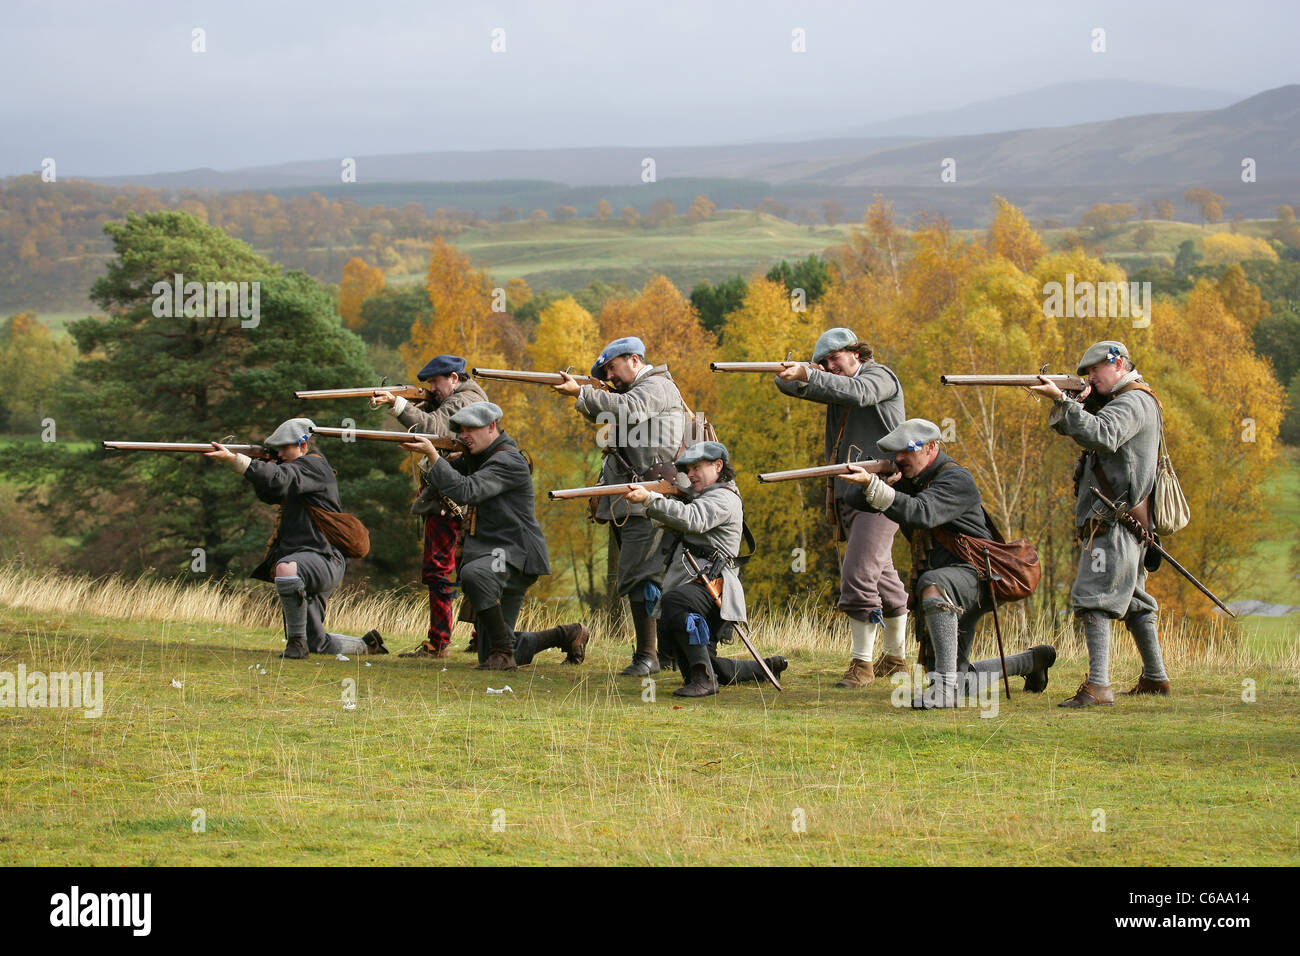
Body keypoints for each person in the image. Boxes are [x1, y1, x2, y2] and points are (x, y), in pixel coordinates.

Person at [839, 419, 1056, 708]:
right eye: (896, 453)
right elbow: (855, 499)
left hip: (975, 577)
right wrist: (874, 478)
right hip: (949, 588)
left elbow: (922, 513)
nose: (899, 458)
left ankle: (943, 692)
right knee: (962, 678)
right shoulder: (907, 477)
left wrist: (878, 488)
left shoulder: (956, 479)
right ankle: (1032, 661)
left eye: (907, 451)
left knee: (933, 584)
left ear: (931, 447)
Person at [1028, 341, 1169, 708]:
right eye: (1085, 373)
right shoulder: (1122, 400)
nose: (1089, 376)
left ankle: (1099, 687)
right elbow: (1085, 429)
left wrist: (1063, 401)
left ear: (1118, 364)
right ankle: (1155, 677)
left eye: (1095, 371)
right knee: (1135, 601)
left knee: (1093, 601)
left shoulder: (1133, 402)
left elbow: (1103, 435)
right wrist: (1073, 402)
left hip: (1116, 520)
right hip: (1124, 520)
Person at [401, 402, 588, 670]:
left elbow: (466, 491)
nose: (465, 435)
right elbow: (441, 487)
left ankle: (504, 651)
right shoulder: (478, 459)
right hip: (495, 557)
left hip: (514, 557)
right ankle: (567, 635)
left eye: (471, 429)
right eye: (461, 430)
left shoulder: (507, 460)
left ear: (491, 427)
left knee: (474, 574)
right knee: (488, 654)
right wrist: (440, 460)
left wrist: (434, 455)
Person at [774, 327, 908, 689]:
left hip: (882, 490)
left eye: (836, 359)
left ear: (857, 354)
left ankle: (861, 664)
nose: (831, 366)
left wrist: (810, 373)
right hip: (851, 494)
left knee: (858, 574)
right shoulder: (836, 383)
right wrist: (795, 373)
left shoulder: (877, 377)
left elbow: (859, 393)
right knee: (883, 577)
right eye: (825, 362)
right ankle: (895, 657)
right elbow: (790, 387)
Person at [553, 336, 685, 677]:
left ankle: (648, 655)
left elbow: (629, 409)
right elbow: (608, 414)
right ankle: (661, 653)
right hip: (634, 498)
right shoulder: (632, 392)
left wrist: (582, 393)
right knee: (643, 575)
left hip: (651, 496)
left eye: (613, 367)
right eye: (607, 370)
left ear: (635, 360)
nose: (610, 375)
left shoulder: (657, 386)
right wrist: (586, 396)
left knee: (642, 575)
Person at [206, 418, 386, 660]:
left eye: (284, 448)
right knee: (317, 642)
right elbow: (272, 490)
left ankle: (295, 646)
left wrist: (238, 460)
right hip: (308, 559)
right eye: (277, 450)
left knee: (286, 568)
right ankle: (366, 646)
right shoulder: (296, 468)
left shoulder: (313, 466)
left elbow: (279, 478)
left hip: (324, 559)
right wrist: (263, 464)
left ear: (303, 445)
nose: (280, 453)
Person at [624, 441, 788, 698]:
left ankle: (705, 680)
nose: (690, 475)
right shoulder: (703, 497)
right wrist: (658, 500)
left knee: (675, 603)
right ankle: (762, 668)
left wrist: (651, 499)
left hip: (715, 587)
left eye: (696, 468)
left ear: (718, 466)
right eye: (688, 469)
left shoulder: (724, 498)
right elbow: (679, 521)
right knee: (699, 668)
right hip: (700, 585)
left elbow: (693, 519)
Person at [370, 354, 489, 658]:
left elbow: (435, 429)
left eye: (436, 382)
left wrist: (398, 405)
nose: (432, 388)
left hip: (454, 500)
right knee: (468, 569)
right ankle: (478, 638)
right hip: (457, 497)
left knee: (443, 570)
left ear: (453, 378)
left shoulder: (466, 399)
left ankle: (440, 643)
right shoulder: (457, 398)